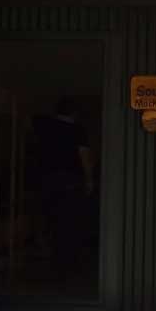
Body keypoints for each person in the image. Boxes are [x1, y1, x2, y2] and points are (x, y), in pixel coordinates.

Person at [32, 97, 94, 278]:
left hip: (46, 178)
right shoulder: (78, 131)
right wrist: (89, 179)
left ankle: (51, 256)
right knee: (68, 219)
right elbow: (84, 156)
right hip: (69, 180)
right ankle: (66, 260)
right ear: (75, 112)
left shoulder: (45, 127)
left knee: (49, 216)